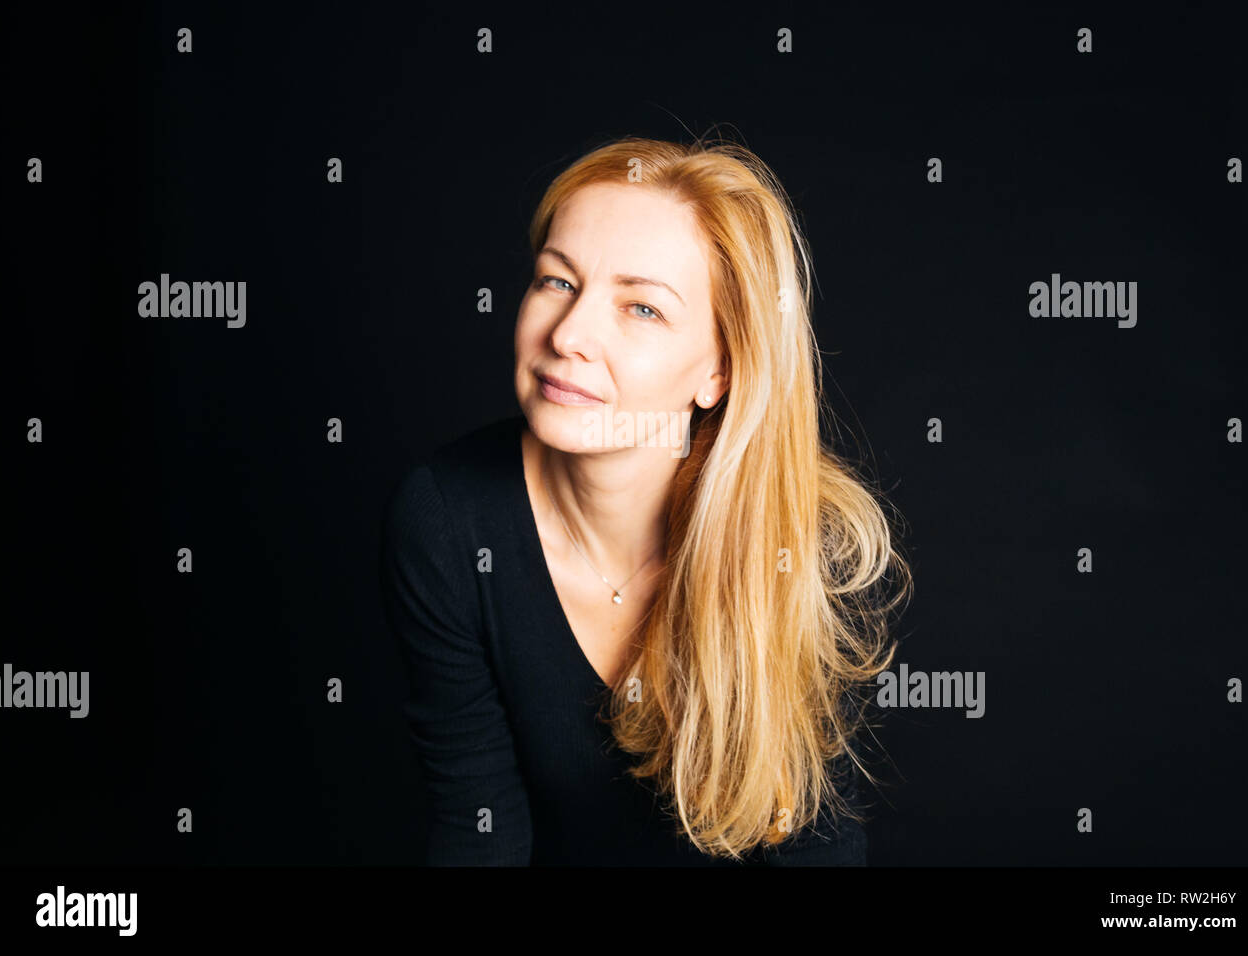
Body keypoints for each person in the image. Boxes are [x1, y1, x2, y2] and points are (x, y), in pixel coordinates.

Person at [381, 134, 911, 865]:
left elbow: (814, 845)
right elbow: (480, 834)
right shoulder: (448, 517)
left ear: (719, 372)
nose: (569, 335)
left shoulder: (806, 540)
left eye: (643, 309)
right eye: (557, 282)